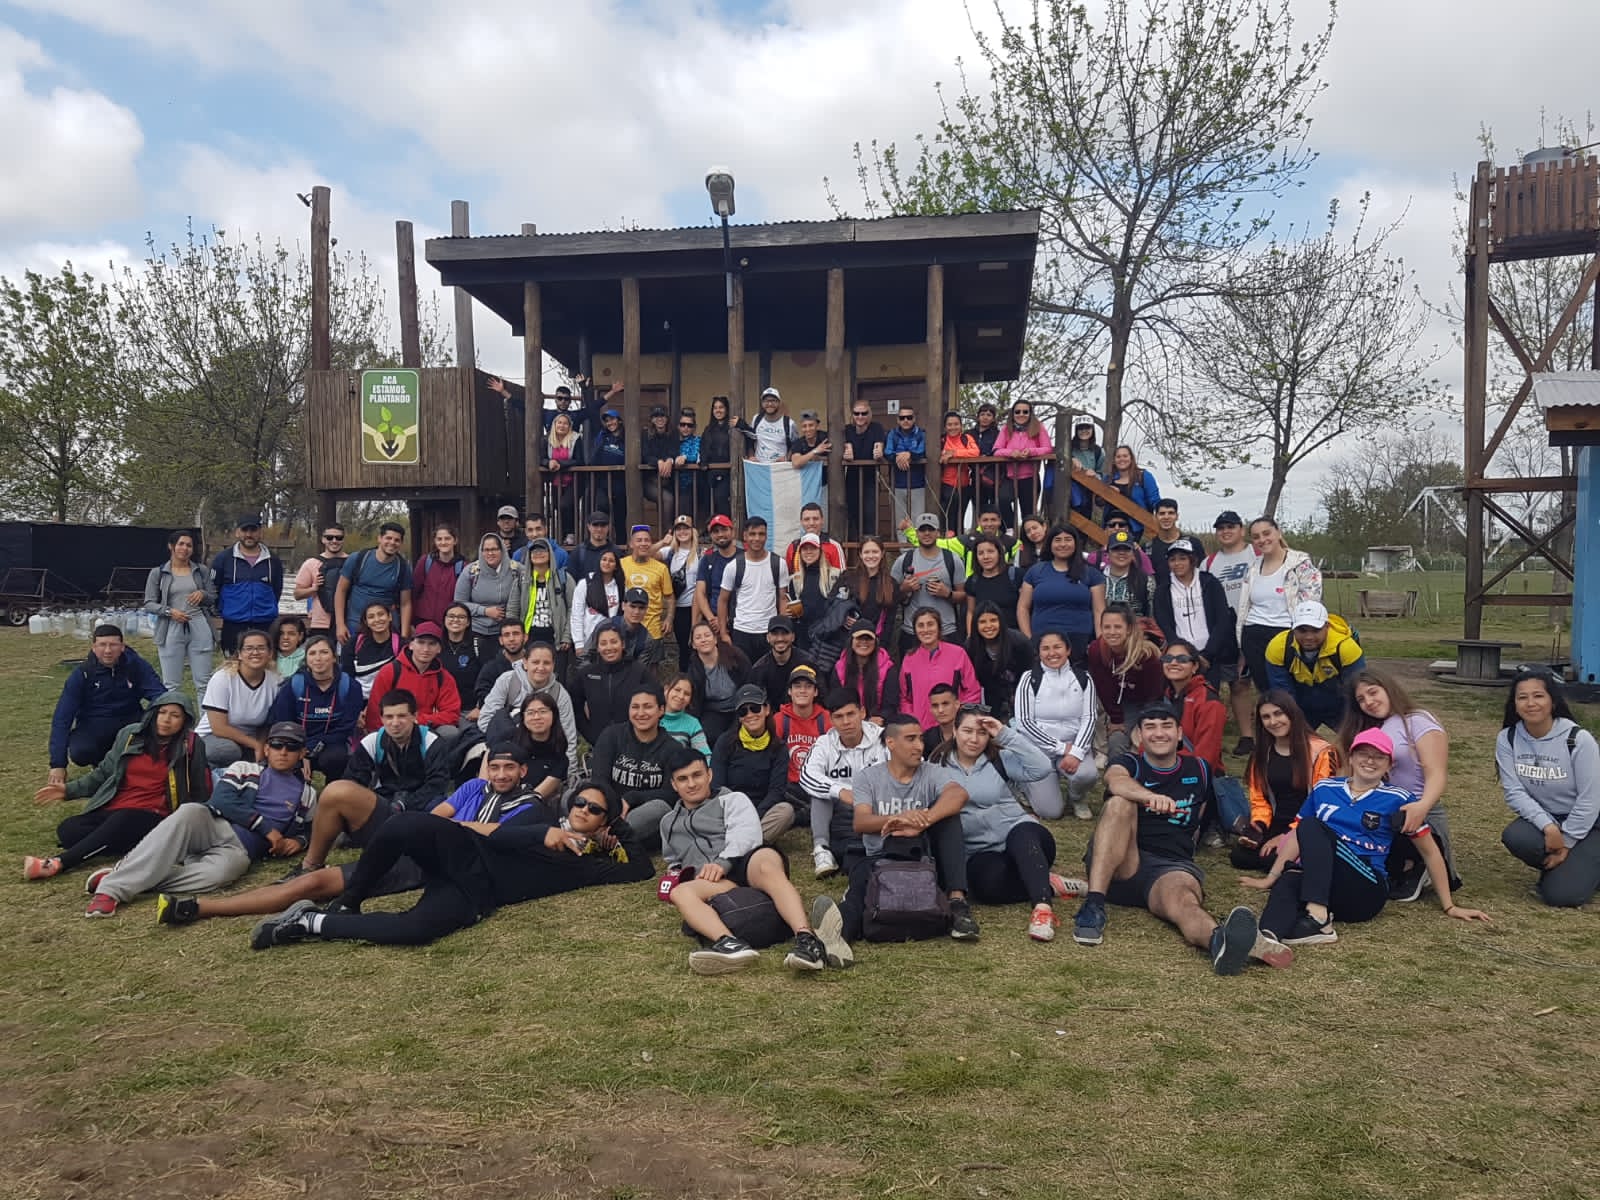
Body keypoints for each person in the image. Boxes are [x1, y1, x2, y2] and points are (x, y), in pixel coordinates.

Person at [250, 768, 654, 950]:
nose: (583, 809)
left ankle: (311, 923)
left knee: (415, 930)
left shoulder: (590, 865)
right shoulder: (540, 815)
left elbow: (641, 870)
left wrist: (618, 827)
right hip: (464, 848)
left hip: (478, 892)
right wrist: (541, 833)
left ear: (605, 819)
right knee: (403, 825)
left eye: (595, 810)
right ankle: (350, 899)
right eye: (580, 801)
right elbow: (496, 833)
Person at [160, 748, 566, 927]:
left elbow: (497, 837)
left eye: (508, 769)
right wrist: (432, 825)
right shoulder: (474, 789)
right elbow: (436, 815)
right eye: (494, 767)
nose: (500, 775)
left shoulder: (530, 805)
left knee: (318, 886)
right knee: (318, 864)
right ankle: (200, 905)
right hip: (416, 839)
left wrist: (447, 828)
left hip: (441, 864)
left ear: (522, 773)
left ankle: (203, 908)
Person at [1071, 702, 1290, 974]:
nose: (1159, 733)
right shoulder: (1129, 763)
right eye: (1150, 727)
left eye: (1166, 726)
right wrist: (1149, 797)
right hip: (1123, 864)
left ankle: (1219, 942)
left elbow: (1210, 808)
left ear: (1179, 734)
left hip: (1170, 868)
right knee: (1119, 802)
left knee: (1185, 902)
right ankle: (1093, 905)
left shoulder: (1198, 768)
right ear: (1139, 736)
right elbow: (1116, 780)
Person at [1239, 729, 1489, 944]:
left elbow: (1430, 851)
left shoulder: (1398, 799)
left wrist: (1449, 905)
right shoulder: (1325, 788)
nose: (1370, 761)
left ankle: (1318, 919)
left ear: (1389, 764)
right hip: (1327, 888)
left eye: (1378, 756)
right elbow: (1296, 836)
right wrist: (1270, 877)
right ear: (1351, 757)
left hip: (1366, 887)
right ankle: (1266, 939)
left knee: (1313, 827)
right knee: (1290, 879)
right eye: (1363, 754)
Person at [80, 723, 316, 918]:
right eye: (277, 745)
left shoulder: (307, 794)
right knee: (189, 811)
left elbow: (311, 827)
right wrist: (267, 829)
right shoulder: (246, 768)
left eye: (291, 747)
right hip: (212, 825)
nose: (283, 752)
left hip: (240, 851)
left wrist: (300, 841)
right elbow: (223, 801)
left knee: (221, 875)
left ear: (302, 753)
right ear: (266, 749)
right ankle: (110, 892)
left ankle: (127, 877)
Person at [658, 746, 838, 974]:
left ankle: (807, 939)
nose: (692, 784)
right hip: (712, 880)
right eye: (683, 779)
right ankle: (729, 945)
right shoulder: (668, 822)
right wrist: (676, 875)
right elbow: (673, 859)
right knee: (680, 892)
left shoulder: (731, 799)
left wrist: (723, 863)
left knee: (766, 859)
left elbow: (747, 836)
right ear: (674, 785)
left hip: (744, 864)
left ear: (709, 775)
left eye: (697, 775)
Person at [929, 709, 1082, 941]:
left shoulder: (998, 759)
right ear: (954, 731)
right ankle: (1049, 883)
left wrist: (1004, 734)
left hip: (1023, 837)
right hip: (982, 851)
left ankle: (1042, 909)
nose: (974, 739)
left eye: (981, 733)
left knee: (1023, 835)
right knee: (988, 889)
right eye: (967, 731)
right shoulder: (936, 766)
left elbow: (1041, 768)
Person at [25, 692, 209, 884]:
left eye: (175, 715)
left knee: (123, 820)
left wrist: (190, 826)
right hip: (116, 807)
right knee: (68, 830)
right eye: (162, 712)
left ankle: (57, 863)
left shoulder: (192, 746)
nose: (166, 720)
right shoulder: (130, 735)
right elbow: (104, 772)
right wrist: (68, 790)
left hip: (155, 814)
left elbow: (199, 788)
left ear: (184, 721)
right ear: (153, 713)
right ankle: (139, 845)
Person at [836, 713, 979, 945]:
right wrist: (900, 818)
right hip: (880, 859)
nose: (919, 746)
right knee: (856, 894)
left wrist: (924, 819)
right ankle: (836, 939)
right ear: (891, 743)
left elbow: (958, 794)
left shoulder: (930, 771)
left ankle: (957, 903)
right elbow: (861, 822)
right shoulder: (868, 777)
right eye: (911, 739)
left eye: (921, 739)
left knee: (949, 818)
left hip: (922, 860)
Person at [291, 689, 456, 874]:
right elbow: (353, 780)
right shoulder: (372, 741)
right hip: (386, 802)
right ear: (382, 718)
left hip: (421, 804)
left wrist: (405, 804)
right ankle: (316, 859)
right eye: (389, 717)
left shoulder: (432, 741)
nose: (395, 723)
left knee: (442, 808)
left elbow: (436, 785)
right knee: (342, 795)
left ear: (415, 717)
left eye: (402, 716)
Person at [1340, 668, 1459, 901]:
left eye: (1373, 692)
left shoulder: (1417, 720)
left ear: (1388, 688)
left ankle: (1418, 862)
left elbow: (1436, 773)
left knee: (1396, 819)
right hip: (1383, 806)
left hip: (1416, 811)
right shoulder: (1376, 728)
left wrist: (1422, 806)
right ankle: (1402, 865)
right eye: (1361, 700)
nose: (1369, 702)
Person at [1497, 668, 1600, 908]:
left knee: (1561, 896)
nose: (1531, 703)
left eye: (1538, 696)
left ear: (1553, 701)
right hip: (1550, 819)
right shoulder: (1508, 738)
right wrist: (1548, 826)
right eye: (1522, 697)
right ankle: (1574, 867)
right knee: (1517, 836)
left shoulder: (1577, 739)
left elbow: (1590, 800)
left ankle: (1581, 865)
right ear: (1514, 704)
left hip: (1592, 823)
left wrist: (1566, 842)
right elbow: (1514, 792)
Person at [1233, 690, 1337, 872]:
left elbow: (1323, 802)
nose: (1273, 722)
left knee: (1272, 859)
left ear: (1292, 713)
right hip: (1276, 823)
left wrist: (1287, 836)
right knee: (1239, 856)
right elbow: (1259, 799)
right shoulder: (1261, 753)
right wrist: (1257, 827)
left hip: (1308, 825)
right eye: (1266, 717)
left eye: (1278, 713)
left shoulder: (1320, 751)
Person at [47, 624, 165, 780]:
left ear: (122, 647)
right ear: (94, 647)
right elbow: (62, 718)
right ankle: (101, 764)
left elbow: (158, 694)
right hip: (94, 723)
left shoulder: (135, 665)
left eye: (113, 645)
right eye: (102, 645)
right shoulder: (82, 674)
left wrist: (163, 715)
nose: (108, 650)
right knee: (81, 752)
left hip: (130, 719)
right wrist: (58, 764)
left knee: (159, 729)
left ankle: (140, 763)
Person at [800, 689, 888, 879]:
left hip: (879, 808)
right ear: (831, 719)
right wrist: (840, 791)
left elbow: (912, 765)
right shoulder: (824, 743)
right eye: (839, 717)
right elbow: (807, 775)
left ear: (862, 713)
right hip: (841, 811)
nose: (846, 722)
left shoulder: (884, 738)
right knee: (820, 791)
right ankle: (821, 849)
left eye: (851, 714)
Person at [1011, 631, 1099, 820]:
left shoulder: (1084, 678)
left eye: (1057, 647)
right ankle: (1021, 783)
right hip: (1038, 750)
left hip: (1073, 745)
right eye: (1045, 648)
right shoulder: (1029, 678)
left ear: (1068, 650)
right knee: (1051, 812)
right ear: (1038, 653)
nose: (1052, 653)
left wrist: (1076, 752)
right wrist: (1060, 747)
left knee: (1088, 774)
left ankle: (1076, 798)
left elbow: (1090, 717)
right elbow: (1024, 722)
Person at [1236, 516, 1322, 700]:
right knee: (1268, 694)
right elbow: (1245, 606)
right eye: (1256, 537)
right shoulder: (1251, 569)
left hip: (1288, 635)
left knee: (1293, 693)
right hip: (1254, 635)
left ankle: (1299, 728)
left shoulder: (1300, 565)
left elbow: (1311, 603)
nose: (1262, 540)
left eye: (1267, 533)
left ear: (1278, 532)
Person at [589, 681, 679, 848]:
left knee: (659, 808)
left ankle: (605, 838)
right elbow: (599, 779)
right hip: (608, 807)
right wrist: (609, 812)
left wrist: (632, 798)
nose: (641, 713)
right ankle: (604, 836)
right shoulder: (612, 735)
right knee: (573, 796)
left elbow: (671, 794)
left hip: (640, 814)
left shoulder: (673, 748)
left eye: (647, 707)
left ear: (661, 710)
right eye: (635, 707)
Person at [268, 633, 363, 780]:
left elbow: (345, 727)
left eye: (324, 652)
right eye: (312, 653)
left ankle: (333, 796)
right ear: (306, 659)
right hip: (296, 741)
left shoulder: (350, 686)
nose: (318, 658)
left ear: (333, 657)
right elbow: (283, 723)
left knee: (336, 758)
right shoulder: (293, 685)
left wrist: (312, 747)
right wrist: (300, 750)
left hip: (332, 743)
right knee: (287, 759)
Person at [1203, 511, 1259, 753]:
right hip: (1224, 629)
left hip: (1255, 625)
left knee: (1267, 683)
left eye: (1230, 527)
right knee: (1237, 683)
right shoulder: (1209, 561)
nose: (1225, 532)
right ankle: (1246, 735)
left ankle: (1272, 731)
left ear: (1241, 529)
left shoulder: (1256, 554)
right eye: (1221, 528)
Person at [1264, 601, 1365, 732]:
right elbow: (1283, 694)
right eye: (1302, 630)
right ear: (1292, 628)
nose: (1309, 637)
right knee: (1289, 743)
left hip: (1339, 702)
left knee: (1359, 740)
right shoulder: (1277, 647)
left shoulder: (1347, 648)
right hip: (1300, 704)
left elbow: (1356, 691)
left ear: (1327, 627)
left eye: (1316, 630)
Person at [1153, 536, 1237, 689]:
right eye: (1173, 559)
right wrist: (1183, 653)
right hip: (1180, 657)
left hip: (1210, 654)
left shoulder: (1210, 583)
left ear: (1192, 560)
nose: (1177, 563)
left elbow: (1222, 618)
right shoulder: (1163, 590)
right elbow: (1163, 622)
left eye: (1182, 558)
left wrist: (1207, 654)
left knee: (1209, 697)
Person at [711, 686, 792, 843]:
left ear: (766, 709)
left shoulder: (779, 748)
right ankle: (747, 842)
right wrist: (736, 816)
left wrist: (752, 816)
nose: (750, 715)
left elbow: (776, 791)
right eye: (743, 711)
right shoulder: (725, 742)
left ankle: (738, 843)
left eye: (755, 708)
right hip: (729, 813)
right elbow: (717, 786)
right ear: (739, 717)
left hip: (760, 813)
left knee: (785, 812)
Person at [195, 629, 281, 768]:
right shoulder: (223, 678)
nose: (255, 652)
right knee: (228, 751)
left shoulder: (275, 682)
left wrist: (264, 745)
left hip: (249, 741)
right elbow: (219, 728)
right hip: (214, 738)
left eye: (261, 648)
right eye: (249, 648)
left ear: (270, 653)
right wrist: (257, 746)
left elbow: (268, 724)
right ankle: (205, 772)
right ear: (240, 654)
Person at [1086, 603, 1164, 755]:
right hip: (1117, 703)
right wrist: (1116, 719)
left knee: (1145, 739)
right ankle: (1116, 767)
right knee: (1117, 740)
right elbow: (1103, 688)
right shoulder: (1097, 650)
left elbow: (1154, 694)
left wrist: (1144, 722)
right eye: (1107, 627)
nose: (1112, 632)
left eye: (1117, 627)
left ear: (1128, 629)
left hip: (1146, 703)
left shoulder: (1147, 655)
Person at [144, 529, 216, 692]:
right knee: (171, 684)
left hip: (198, 624)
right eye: (181, 544)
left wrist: (202, 593)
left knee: (204, 682)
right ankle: (174, 716)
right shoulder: (158, 573)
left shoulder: (201, 570)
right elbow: (149, 603)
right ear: (171, 546)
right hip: (170, 626)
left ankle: (205, 718)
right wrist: (170, 612)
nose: (185, 548)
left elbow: (213, 596)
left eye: (189, 545)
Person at [480, 641, 579, 759]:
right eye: (535, 662)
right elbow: (485, 718)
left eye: (546, 663)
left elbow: (568, 737)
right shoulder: (507, 680)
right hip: (504, 747)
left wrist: (569, 773)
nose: (541, 668)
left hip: (542, 751)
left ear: (553, 665)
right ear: (525, 663)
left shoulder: (560, 694)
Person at [1018, 525, 1105, 658]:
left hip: (1079, 640)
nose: (1063, 544)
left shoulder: (1091, 573)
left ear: (1076, 543)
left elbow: (1099, 610)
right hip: (1043, 640)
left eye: (1068, 539)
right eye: (1058, 540)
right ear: (1050, 543)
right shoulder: (1035, 571)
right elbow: (1023, 607)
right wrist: (1029, 639)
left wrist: (1100, 643)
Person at [362, 621, 461, 737]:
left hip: (425, 729)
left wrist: (419, 720)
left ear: (439, 649)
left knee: (450, 732)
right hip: (393, 727)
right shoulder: (390, 671)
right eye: (420, 642)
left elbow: (452, 714)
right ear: (411, 645)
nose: (425, 649)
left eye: (432, 644)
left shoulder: (444, 677)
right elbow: (375, 711)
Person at [890, 512, 967, 652]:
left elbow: (964, 595)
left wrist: (947, 593)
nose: (927, 533)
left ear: (938, 533)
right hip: (912, 632)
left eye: (931, 529)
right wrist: (904, 589)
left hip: (946, 631)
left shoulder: (953, 559)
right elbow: (889, 595)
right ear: (917, 533)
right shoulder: (903, 560)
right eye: (922, 530)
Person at [719, 517, 791, 665]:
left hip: (769, 631)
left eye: (761, 534)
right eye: (752, 534)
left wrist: (783, 629)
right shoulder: (733, 566)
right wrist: (723, 633)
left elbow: (783, 598)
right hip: (741, 631)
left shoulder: (779, 564)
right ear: (745, 536)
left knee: (768, 676)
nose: (757, 538)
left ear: (766, 536)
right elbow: (723, 600)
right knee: (742, 678)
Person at [212, 514, 285, 654]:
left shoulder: (273, 560)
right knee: (233, 666)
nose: (249, 535)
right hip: (233, 624)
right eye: (245, 530)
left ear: (260, 532)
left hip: (265, 624)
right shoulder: (223, 559)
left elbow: (277, 590)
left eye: (253, 530)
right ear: (237, 532)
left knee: (263, 664)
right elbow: (213, 587)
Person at [898, 608, 981, 729]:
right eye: (921, 625)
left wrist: (961, 717)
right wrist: (912, 720)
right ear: (915, 630)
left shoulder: (958, 654)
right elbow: (904, 697)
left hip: (953, 728)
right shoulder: (909, 659)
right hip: (921, 730)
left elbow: (972, 691)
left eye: (930, 624)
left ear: (939, 627)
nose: (926, 630)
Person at [334, 522, 414, 643]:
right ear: (379, 539)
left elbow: (405, 603)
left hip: (387, 627)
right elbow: (341, 591)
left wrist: (403, 636)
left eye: (397, 540)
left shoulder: (403, 568)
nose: (392, 543)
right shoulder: (358, 559)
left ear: (401, 544)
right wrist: (340, 625)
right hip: (355, 624)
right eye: (388, 538)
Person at [571, 627, 651, 746]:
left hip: (634, 744)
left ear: (623, 644)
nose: (609, 648)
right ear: (597, 647)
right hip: (598, 743)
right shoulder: (586, 674)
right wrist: (590, 735)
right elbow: (575, 708)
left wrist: (641, 733)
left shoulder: (639, 671)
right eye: (603, 643)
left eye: (614, 642)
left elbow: (655, 703)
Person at [455, 533, 529, 659]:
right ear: (481, 551)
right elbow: (459, 604)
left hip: (507, 632)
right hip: (477, 630)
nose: (490, 553)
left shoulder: (517, 570)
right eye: (486, 550)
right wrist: (485, 611)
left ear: (502, 550)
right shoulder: (471, 572)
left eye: (494, 549)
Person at [686, 619, 751, 746]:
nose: (704, 640)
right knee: (708, 735)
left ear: (715, 639)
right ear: (693, 645)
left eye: (707, 635)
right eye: (698, 637)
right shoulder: (694, 670)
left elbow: (749, 681)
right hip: (714, 711)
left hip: (739, 706)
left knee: (740, 736)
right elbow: (694, 702)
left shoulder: (735, 655)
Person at [967, 602, 1032, 719]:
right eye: (982, 622)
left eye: (993, 620)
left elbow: (1030, 673)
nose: (988, 626)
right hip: (989, 699)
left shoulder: (1019, 643)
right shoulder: (970, 647)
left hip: (1021, 697)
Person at [994, 399, 1053, 526]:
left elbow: (1047, 448)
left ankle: (1027, 541)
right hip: (1009, 477)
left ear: (1030, 413)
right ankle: (1010, 529)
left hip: (1030, 477)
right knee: (1002, 500)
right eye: (1017, 412)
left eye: (1025, 412)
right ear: (1013, 414)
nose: (1021, 414)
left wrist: (1031, 452)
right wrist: (1011, 453)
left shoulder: (1039, 428)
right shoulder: (1006, 429)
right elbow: (996, 450)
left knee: (1028, 513)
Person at [519, 537, 572, 676]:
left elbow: (573, 609)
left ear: (550, 553)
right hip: (528, 639)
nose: (538, 553)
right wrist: (517, 636)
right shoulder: (521, 580)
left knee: (556, 679)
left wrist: (566, 636)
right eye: (534, 551)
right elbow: (513, 609)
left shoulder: (563, 578)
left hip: (556, 639)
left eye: (542, 550)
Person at [339, 600, 405, 699]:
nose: (377, 619)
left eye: (381, 614)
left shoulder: (401, 645)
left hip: (390, 702)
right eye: (371, 617)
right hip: (359, 700)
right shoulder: (353, 644)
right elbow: (347, 677)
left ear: (390, 617)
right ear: (366, 622)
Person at [659, 516, 701, 670]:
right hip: (680, 608)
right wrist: (663, 542)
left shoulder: (701, 553)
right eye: (679, 529)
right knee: (684, 648)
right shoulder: (669, 552)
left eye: (686, 528)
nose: (682, 532)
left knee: (700, 647)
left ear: (692, 531)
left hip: (699, 607)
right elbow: (646, 555)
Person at [834, 626, 900, 724]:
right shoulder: (839, 667)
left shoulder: (888, 669)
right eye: (859, 638)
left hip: (877, 725)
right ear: (851, 641)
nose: (864, 642)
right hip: (847, 722)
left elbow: (891, 706)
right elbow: (836, 700)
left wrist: (881, 718)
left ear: (875, 642)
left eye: (868, 638)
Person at [785, 534, 840, 650]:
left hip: (828, 639)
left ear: (820, 551)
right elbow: (793, 612)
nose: (809, 552)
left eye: (813, 548)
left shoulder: (834, 576)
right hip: (803, 638)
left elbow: (840, 608)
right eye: (805, 549)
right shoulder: (795, 580)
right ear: (800, 552)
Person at [749, 615, 815, 711]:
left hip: (803, 713)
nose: (780, 638)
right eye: (775, 634)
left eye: (785, 633)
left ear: (793, 637)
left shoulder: (808, 662)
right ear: (768, 638)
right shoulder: (759, 668)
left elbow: (820, 695)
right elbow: (757, 704)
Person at [621, 523, 674, 641]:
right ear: (631, 544)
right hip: (626, 629)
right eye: (639, 540)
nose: (643, 544)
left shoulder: (661, 568)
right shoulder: (621, 565)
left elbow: (670, 598)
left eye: (647, 540)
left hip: (653, 630)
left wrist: (669, 619)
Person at [839, 537, 898, 642]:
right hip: (848, 640)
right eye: (866, 552)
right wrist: (843, 617)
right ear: (861, 555)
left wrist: (882, 647)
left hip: (876, 641)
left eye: (875, 552)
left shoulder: (891, 584)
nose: (871, 556)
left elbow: (890, 621)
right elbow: (832, 603)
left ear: (882, 553)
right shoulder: (847, 577)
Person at [842, 402, 887, 540]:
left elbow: (879, 447)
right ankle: (853, 552)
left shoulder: (876, 428)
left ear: (869, 414)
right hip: (851, 479)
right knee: (851, 515)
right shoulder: (847, 430)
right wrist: (845, 454)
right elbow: (844, 447)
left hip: (870, 478)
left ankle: (870, 547)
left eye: (864, 413)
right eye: (856, 413)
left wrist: (879, 453)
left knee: (870, 514)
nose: (860, 416)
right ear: (852, 415)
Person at [693, 514, 741, 640]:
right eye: (715, 531)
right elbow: (700, 593)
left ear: (732, 531)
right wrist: (711, 619)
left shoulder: (744, 558)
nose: (720, 534)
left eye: (724, 530)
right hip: (713, 621)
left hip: (742, 621)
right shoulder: (707, 560)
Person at [583, 587, 659, 666]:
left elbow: (640, 671)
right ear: (623, 606)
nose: (636, 612)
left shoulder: (646, 638)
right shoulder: (605, 626)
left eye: (641, 608)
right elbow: (585, 656)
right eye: (632, 606)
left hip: (628, 676)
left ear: (646, 610)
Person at [293, 522, 348, 632]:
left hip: (348, 622)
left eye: (339, 538)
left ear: (343, 540)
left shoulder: (353, 562)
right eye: (329, 537)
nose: (334, 541)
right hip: (321, 623)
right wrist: (313, 588)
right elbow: (297, 594)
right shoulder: (311, 563)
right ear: (323, 539)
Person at [964, 535, 1023, 634]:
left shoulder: (1016, 575)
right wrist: (971, 637)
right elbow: (971, 612)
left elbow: (1024, 609)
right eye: (980, 553)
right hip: (985, 637)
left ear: (999, 553)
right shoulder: (973, 581)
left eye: (990, 551)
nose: (986, 557)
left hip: (1014, 637)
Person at [1102, 447, 1161, 541]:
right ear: (1114, 460)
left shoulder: (1143, 476)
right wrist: (1108, 493)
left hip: (1135, 526)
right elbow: (1098, 502)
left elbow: (1155, 500)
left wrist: (1162, 518)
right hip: (1111, 526)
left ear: (1131, 458)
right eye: (1118, 457)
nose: (1122, 459)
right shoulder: (1108, 479)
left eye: (1125, 456)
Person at [884, 407, 928, 530]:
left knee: (917, 519)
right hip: (897, 483)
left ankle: (916, 548)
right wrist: (901, 456)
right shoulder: (892, 434)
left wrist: (909, 455)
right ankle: (903, 549)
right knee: (900, 520)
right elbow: (887, 452)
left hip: (918, 483)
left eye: (909, 417)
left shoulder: (921, 434)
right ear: (898, 420)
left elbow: (921, 451)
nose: (906, 420)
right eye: (902, 418)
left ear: (914, 419)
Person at [571, 548, 624, 651]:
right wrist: (579, 643)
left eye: (611, 561)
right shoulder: (585, 584)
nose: (607, 563)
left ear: (616, 566)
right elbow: (577, 614)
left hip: (612, 641)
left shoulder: (621, 587)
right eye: (604, 559)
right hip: (589, 640)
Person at [936, 411, 981, 533]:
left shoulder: (966, 438)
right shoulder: (941, 440)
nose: (953, 427)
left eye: (956, 424)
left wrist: (953, 454)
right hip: (947, 482)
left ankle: (959, 539)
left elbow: (975, 452)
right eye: (949, 424)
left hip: (964, 483)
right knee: (951, 506)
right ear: (945, 426)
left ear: (961, 425)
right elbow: (937, 454)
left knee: (961, 513)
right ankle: (950, 533)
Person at [471, 619, 527, 712]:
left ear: (525, 637)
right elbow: (483, 695)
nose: (511, 639)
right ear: (501, 640)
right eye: (506, 635)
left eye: (516, 634)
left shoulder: (536, 664)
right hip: (499, 716)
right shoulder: (490, 668)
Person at [1097, 530, 1154, 619]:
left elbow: (1152, 617)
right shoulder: (1095, 579)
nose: (1121, 553)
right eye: (1116, 549)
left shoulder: (1146, 581)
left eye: (1126, 549)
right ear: (1107, 554)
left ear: (1133, 554)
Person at [545, 412, 585, 537]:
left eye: (565, 423)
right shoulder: (547, 439)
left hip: (574, 480)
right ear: (554, 424)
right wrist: (549, 462)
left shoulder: (575, 438)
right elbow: (540, 458)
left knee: (566, 505)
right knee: (558, 507)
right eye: (559, 423)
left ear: (569, 426)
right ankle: (562, 535)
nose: (562, 426)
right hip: (556, 480)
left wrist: (560, 464)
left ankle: (571, 534)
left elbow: (580, 460)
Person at [640, 405, 682, 525]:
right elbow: (645, 455)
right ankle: (667, 533)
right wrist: (658, 462)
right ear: (652, 419)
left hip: (668, 480)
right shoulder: (645, 434)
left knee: (679, 501)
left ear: (667, 418)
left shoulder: (673, 433)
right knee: (667, 499)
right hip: (650, 481)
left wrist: (670, 460)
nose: (660, 419)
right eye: (656, 416)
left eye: (662, 416)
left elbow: (675, 451)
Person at [699, 396, 737, 519]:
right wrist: (703, 462)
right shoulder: (708, 429)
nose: (718, 410)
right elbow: (703, 448)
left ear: (726, 409)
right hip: (710, 472)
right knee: (706, 501)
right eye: (715, 408)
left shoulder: (733, 428)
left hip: (727, 472)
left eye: (721, 407)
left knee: (721, 499)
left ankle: (725, 527)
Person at [789, 410, 832, 510]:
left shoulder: (826, 438)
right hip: (806, 486)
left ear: (817, 425)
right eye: (804, 426)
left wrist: (819, 458)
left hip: (826, 485)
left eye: (811, 425)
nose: (807, 429)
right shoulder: (799, 443)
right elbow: (796, 462)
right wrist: (815, 451)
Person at [662, 675, 712, 760]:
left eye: (687, 694)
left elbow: (705, 756)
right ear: (666, 689)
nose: (681, 696)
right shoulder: (651, 716)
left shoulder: (692, 723)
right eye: (677, 690)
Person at [1086, 515, 1154, 574]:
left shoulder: (1139, 555)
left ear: (1128, 530)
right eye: (1111, 525)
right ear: (1105, 530)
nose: (1117, 528)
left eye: (1121, 525)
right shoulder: (1094, 557)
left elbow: (1150, 583)